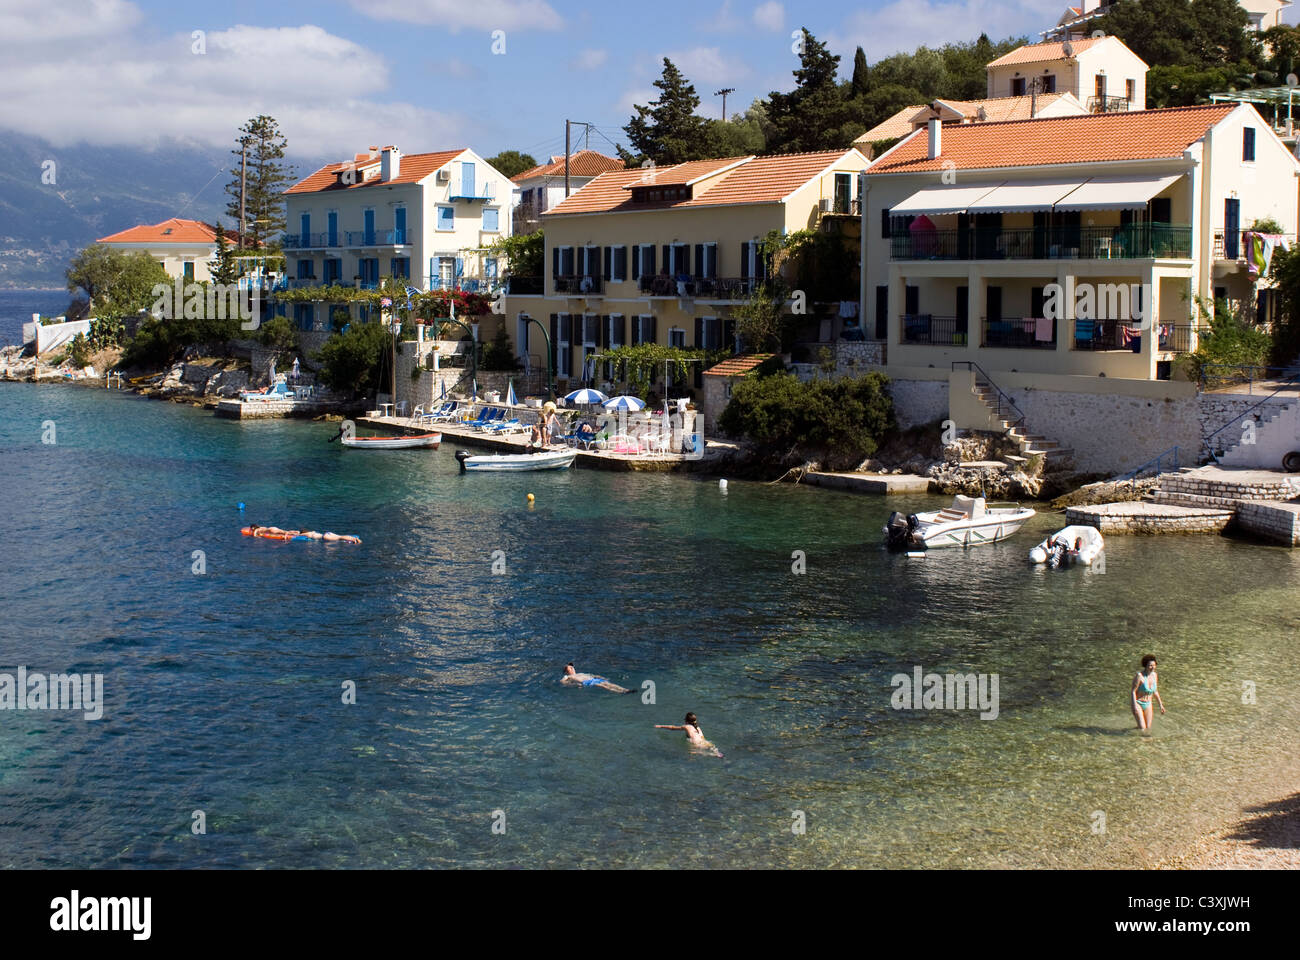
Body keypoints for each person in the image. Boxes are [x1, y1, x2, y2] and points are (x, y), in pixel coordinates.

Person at [655, 712, 723, 758]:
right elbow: (702, 738)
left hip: (696, 744)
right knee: (713, 748)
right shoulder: (698, 728)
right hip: (706, 743)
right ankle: (717, 753)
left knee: (694, 753)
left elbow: (672, 728)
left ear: (686, 721)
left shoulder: (687, 726)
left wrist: (661, 726)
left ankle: (712, 755)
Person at [1131, 654, 1165, 731]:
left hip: (1148, 703)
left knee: (1148, 728)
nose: (1152, 667)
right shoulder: (1139, 676)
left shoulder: (1155, 675)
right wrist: (1134, 705)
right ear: (1145, 665)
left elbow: (1155, 691)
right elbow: (1133, 691)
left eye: (1154, 665)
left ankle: (1129, 732)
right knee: (1143, 728)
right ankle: (1141, 741)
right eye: (1150, 665)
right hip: (1138, 703)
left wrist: (1161, 705)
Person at [561, 662, 632, 694]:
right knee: (604, 686)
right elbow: (562, 682)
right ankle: (619, 692)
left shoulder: (581, 673)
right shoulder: (567, 676)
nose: (572, 668)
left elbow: (592, 675)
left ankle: (625, 690)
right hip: (587, 682)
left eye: (572, 667)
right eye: (570, 668)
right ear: (567, 671)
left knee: (608, 683)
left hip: (593, 679)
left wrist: (600, 677)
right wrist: (575, 685)